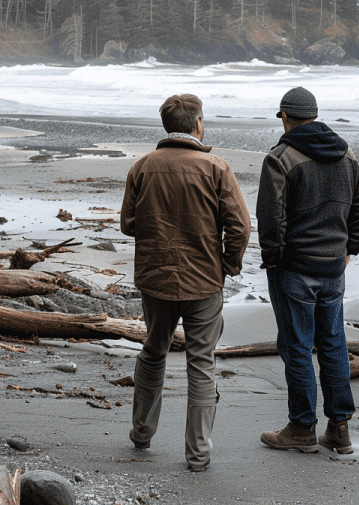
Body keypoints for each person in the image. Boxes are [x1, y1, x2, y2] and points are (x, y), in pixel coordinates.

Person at [120, 93, 251, 471]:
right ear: (198, 124)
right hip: (204, 281)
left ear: (167, 126)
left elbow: (128, 224)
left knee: (153, 350)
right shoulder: (216, 168)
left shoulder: (142, 167)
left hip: (155, 279)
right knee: (202, 362)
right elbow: (240, 227)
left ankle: (141, 433)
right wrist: (228, 265)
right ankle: (198, 454)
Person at [257, 86, 359, 455]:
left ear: (285, 117)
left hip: (295, 268)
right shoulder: (346, 154)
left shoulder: (280, 158)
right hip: (333, 267)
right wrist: (349, 249)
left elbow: (271, 218)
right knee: (333, 344)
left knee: (297, 346)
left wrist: (273, 258)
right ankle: (339, 428)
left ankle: (302, 427)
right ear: (315, 115)